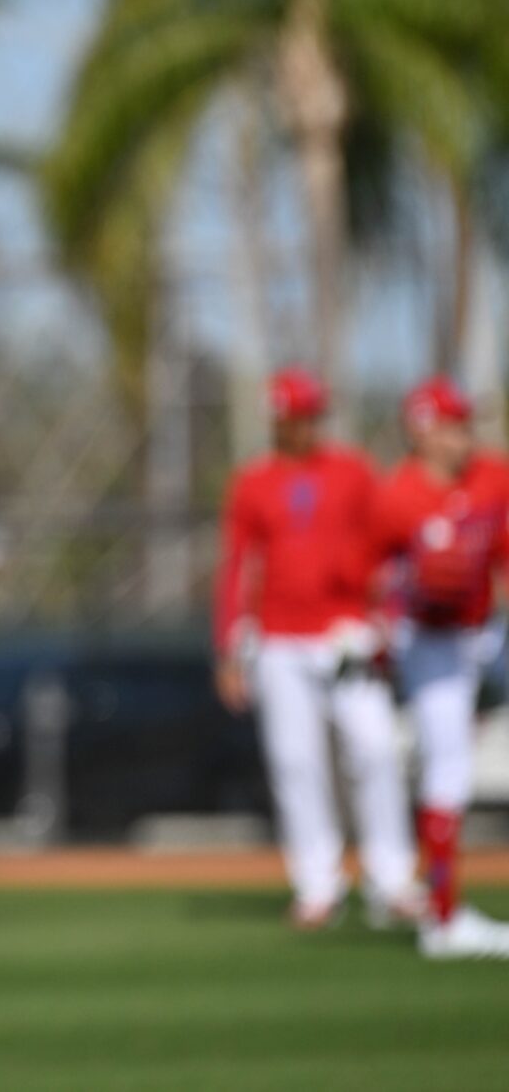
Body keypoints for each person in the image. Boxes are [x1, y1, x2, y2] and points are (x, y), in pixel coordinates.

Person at [213, 367, 419, 931]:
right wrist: (229, 650)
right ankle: (317, 884)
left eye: (307, 415)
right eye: (291, 415)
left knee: (375, 748)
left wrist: (389, 619)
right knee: (296, 762)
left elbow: (390, 547)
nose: (300, 426)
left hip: (345, 633)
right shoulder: (253, 482)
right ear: (276, 418)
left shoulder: (352, 472)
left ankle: (393, 879)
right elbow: (236, 567)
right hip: (278, 640)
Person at [370, 376, 509, 960]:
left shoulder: (492, 476)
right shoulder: (396, 497)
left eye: (462, 424)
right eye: (449, 426)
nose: (461, 436)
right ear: (420, 431)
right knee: (446, 771)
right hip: (427, 639)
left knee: (448, 768)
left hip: (487, 631)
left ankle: (439, 911)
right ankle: (442, 917)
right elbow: (368, 579)